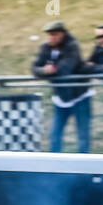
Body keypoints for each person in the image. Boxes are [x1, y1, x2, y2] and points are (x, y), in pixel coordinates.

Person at [32, 21, 92, 153]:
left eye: (54, 34)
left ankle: (84, 166)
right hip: (61, 98)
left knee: (83, 135)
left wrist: (49, 70)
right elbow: (35, 68)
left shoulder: (72, 46)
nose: (51, 37)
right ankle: (54, 165)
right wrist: (44, 71)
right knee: (55, 134)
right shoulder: (45, 47)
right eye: (49, 35)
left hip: (79, 96)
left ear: (62, 34)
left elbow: (65, 70)